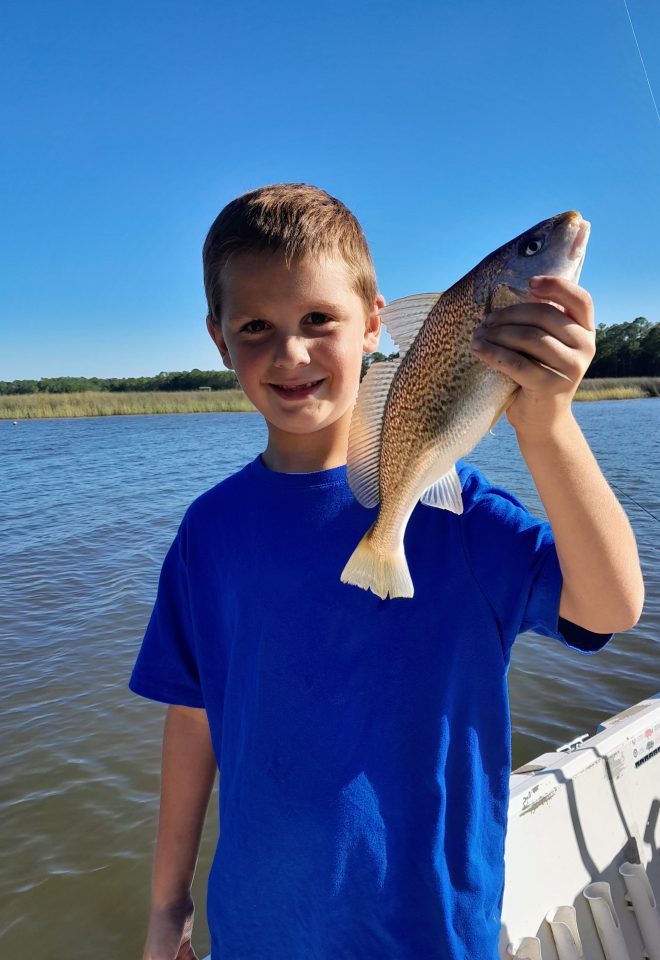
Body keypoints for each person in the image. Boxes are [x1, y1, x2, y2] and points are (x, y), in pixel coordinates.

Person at [129, 183, 644, 960]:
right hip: (258, 928)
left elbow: (610, 607)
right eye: (256, 326)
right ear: (219, 339)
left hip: (425, 930)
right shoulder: (210, 530)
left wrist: (548, 424)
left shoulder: (458, 515)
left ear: (374, 324)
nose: (291, 354)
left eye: (319, 320)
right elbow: (193, 716)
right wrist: (169, 903)